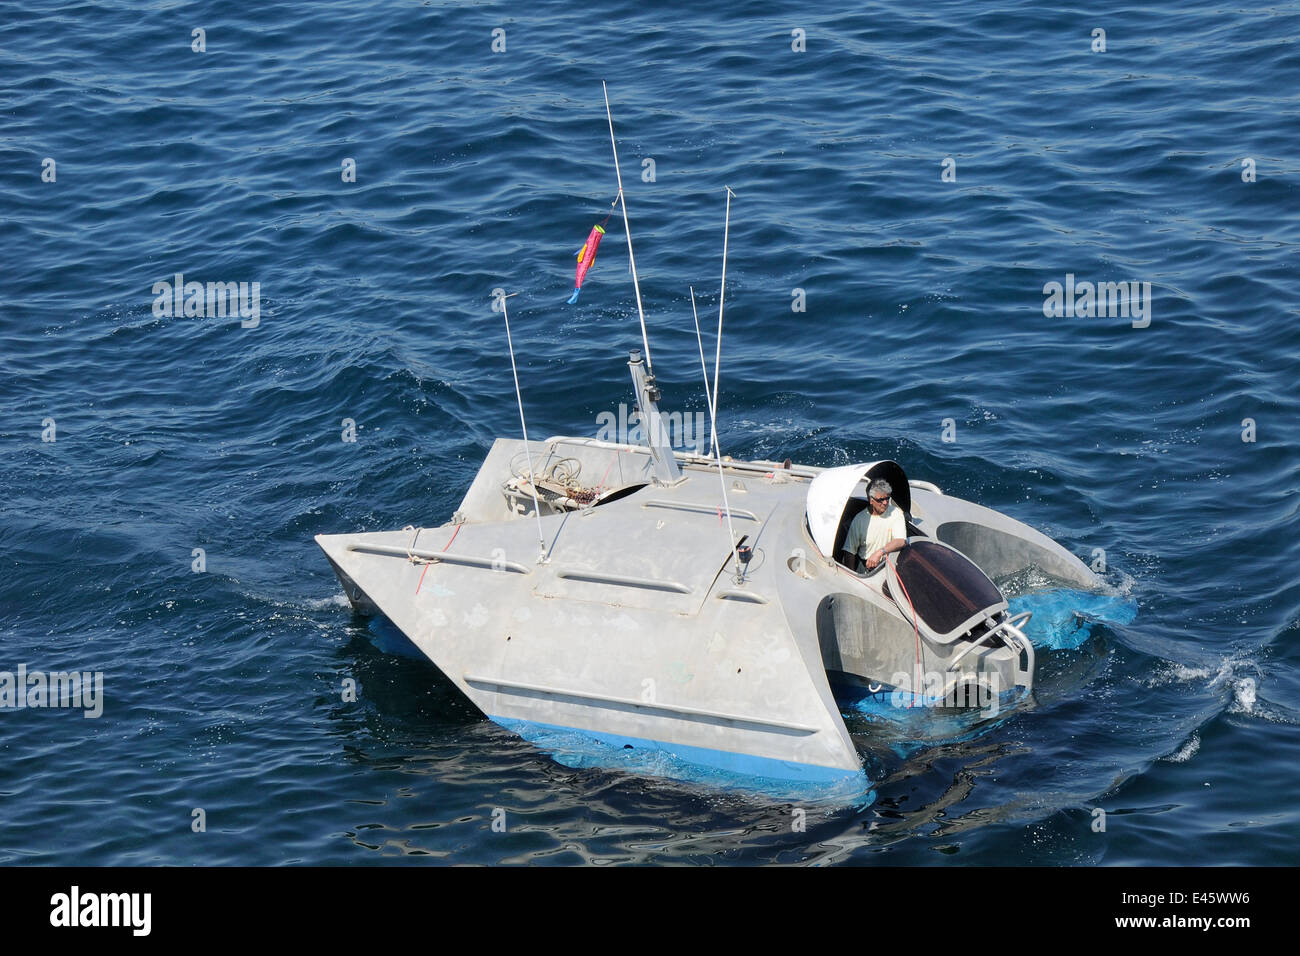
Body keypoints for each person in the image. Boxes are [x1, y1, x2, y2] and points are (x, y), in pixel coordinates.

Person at [839, 478, 906, 573]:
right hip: (865, 567)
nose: (885, 503)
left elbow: (901, 541)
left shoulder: (896, 513)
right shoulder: (859, 519)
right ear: (871, 500)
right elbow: (850, 551)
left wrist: (879, 553)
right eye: (881, 500)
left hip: (888, 565)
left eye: (887, 498)